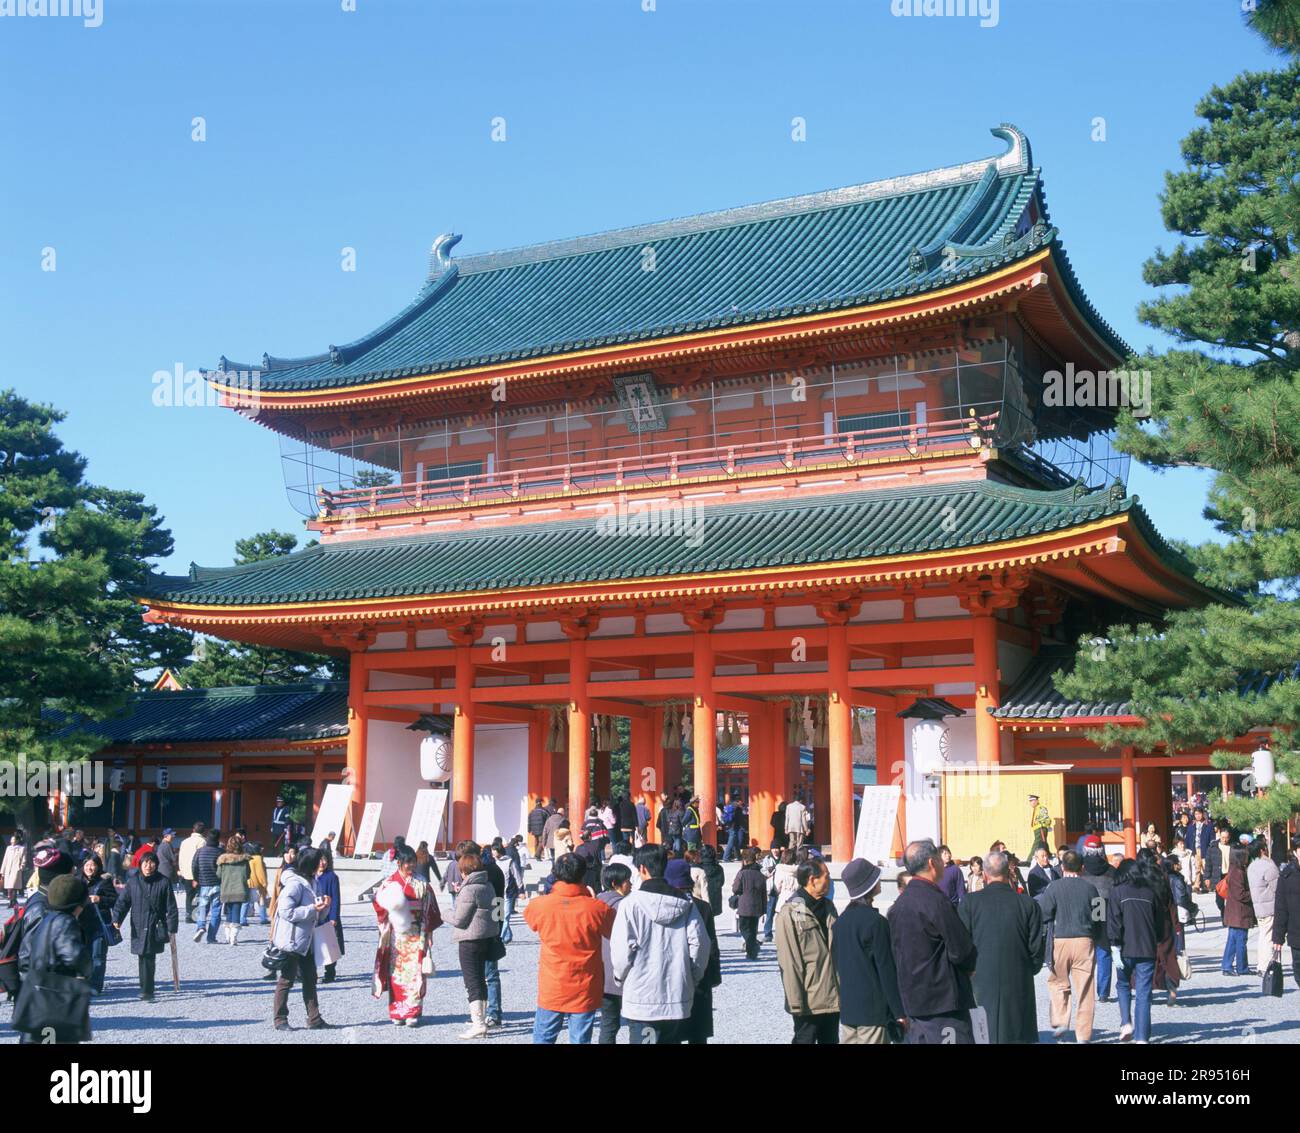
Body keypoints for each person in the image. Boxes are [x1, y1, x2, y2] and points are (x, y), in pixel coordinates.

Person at [610, 843, 710, 1045]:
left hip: (642, 997)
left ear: (642, 869)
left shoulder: (630, 904)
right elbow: (700, 943)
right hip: (676, 992)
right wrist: (693, 975)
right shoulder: (685, 903)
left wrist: (620, 978)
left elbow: (621, 951)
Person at [888, 839, 978, 1043]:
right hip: (943, 1000)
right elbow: (960, 948)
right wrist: (969, 967)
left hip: (912, 999)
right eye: (939, 858)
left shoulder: (899, 905)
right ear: (932, 863)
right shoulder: (936, 900)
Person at [523, 852, 616, 1044]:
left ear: (556, 873)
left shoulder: (540, 905)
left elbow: (531, 922)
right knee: (580, 1039)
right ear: (583, 874)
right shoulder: (596, 908)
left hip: (553, 982)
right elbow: (612, 931)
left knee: (543, 1037)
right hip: (585, 983)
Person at [958, 849, 1043, 1044]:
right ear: (1008, 873)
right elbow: (1036, 947)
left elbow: (962, 943)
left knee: (982, 1033)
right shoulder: (1027, 904)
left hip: (979, 976)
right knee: (1016, 1032)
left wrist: (967, 970)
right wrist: (1030, 967)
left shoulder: (970, 902)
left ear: (985, 874)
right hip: (1018, 975)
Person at [831, 858, 904, 1045]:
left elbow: (836, 965)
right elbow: (886, 969)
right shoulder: (876, 922)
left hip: (849, 1007)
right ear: (870, 885)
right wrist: (899, 1011)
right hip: (872, 1009)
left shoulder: (840, 923)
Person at [15, 874, 92, 1044]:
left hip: (38, 989)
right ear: (77, 904)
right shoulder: (66, 922)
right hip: (56, 993)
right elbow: (74, 955)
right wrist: (87, 966)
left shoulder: (48, 918)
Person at [373, 844, 442, 1025]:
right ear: (399, 863)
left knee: (415, 973)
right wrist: (390, 908)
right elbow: (379, 905)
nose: (411, 866)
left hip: (416, 934)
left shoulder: (421, 883)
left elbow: (429, 908)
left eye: (413, 862)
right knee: (396, 973)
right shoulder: (389, 883)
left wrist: (429, 932)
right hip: (397, 935)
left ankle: (412, 1012)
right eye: (408, 862)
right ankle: (397, 1012)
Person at [774, 856, 839, 1044]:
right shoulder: (791, 912)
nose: (830, 879)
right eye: (827, 875)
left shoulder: (829, 907)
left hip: (832, 995)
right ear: (812, 880)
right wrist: (796, 1002)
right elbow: (789, 961)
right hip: (808, 998)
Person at [1036, 849, 1098, 1043]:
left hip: (1060, 939)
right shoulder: (1091, 888)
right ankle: (1083, 1035)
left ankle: (1061, 1021)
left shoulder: (1053, 888)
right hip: (1084, 940)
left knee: (1057, 982)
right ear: (1082, 868)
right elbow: (1100, 917)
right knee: (1086, 988)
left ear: (1062, 867)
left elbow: (1045, 913)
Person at [270, 847, 332, 1031]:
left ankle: (314, 1018)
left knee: (310, 978)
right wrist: (313, 908)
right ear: (310, 864)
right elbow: (285, 912)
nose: (322, 863)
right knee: (286, 980)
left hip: (307, 940)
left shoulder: (314, 882)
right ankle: (280, 1019)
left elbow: (318, 915)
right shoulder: (295, 884)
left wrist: (324, 907)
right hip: (292, 940)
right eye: (319, 861)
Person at [449, 841, 503, 1040]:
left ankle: (492, 1014)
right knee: (482, 977)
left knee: (488, 975)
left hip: (482, 933)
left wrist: (499, 927)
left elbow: (500, 901)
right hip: (488, 930)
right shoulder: (485, 877)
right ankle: (483, 1016)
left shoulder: (492, 873)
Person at [1106, 857, 1164, 1043]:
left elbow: (1114, 921)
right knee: (1143, 993)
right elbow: (1159, 922)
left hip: (1124, 948)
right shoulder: (1151, 892)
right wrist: (1158, 939)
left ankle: (1126, 1023)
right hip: (1146, 949)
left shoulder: (1117, 891)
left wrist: (1114, 945)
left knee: (1123, 985)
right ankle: (1142, 1038)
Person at [111, 849, 179, 1002]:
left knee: (149, 956)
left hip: (155, 924)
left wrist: (172, 927)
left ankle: (147, 990)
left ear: (156, 864)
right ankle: (145, 986)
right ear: (140, 864)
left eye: (152, 863)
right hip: (138, 923)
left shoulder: (163, 881)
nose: (148, 866)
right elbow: (123, 902)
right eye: (145, 863)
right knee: (142, 955)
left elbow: (171, 906)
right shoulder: (133, 882)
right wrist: (117, 919)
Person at [596, 861, 633, 1043]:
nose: (631, 884)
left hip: (601, 973)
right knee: (636, 1024)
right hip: (621, 972)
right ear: (615, 883)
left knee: (608, 1024)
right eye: (627, 881)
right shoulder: (624, 907)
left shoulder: (596, 903)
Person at [78, 853, 118, 994]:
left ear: (98, 866)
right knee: (82, 955)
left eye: (93, 865)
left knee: (98, 956)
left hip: (99, 924)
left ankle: (95, 986)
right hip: (80, 925)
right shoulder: (78, 882)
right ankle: (83, 982)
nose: (90, 868)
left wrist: (100, 899)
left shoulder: (104, 882)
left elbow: (115, 900)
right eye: (87, 865)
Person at [1247, 837, 1280, 976]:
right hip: (1269, 905)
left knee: (1263, 936)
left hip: (1258, 906)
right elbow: (1276, 888)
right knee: (1269, 937)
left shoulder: (1251, 866)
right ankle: (1266, 965)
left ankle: (1261, 964)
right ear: (1262, 850)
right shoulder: (1268, 866)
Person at [1270, 834, 1300, 986]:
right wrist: (1278, 937)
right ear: (1295, 852)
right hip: (1297, 934)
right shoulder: (1287, 876)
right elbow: (1281, 908)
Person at [1222, 845, 1254, 976]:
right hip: (1239, 912)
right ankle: (1239, 966)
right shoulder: (1237, 872)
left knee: (1234, 940)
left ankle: (1230, 965)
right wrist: (1254, 893)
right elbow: (1240, 894)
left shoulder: (1235, 869)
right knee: (1240, 941)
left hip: (1235, 912)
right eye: (1245, 855)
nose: (1247, 857)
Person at [314, 846, 344, 982]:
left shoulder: (331, 877)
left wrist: (333, 917)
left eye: (325, 859)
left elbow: (336, 898)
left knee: (329, 945)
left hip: (328, 916)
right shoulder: (311, 876)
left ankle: (330, 972)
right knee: (314, 945)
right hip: (314, 915)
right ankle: (311, 973)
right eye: (320, 860)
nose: (322, 863)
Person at [731, 848, 767, 960]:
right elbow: (763, 893)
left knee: (744, 929)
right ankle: (752, 950)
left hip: (744, 905)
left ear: (745, 861)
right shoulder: (760, 875)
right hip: (757, 905)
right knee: (753, 929)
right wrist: (764, 908)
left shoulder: (742, 873)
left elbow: (735, 889)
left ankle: (752, 949)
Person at [216, 835, 251, 947]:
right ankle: (233, 937)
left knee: (229, 912)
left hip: (226, 889)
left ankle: (227, 936)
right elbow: (248, 875)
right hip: (239, 889)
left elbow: (218, 875)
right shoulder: (244, 860)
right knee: (236, 911)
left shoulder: (223, 860)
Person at [191, 829, 223, 944]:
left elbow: (194, 865)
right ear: (217, 839)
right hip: (217, 884)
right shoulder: (220, 852)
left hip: (204, 884)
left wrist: (195, 878)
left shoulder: (200, 851)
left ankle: (201, 927)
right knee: (216, 911)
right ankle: (211, 937)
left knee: (202, 908)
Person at [492, 839, 524, 945]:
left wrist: (521, 889)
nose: (492, 852)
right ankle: (508, 935)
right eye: (492, 850)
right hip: (496, 892)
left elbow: (517, 876)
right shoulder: (492, 862)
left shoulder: (509, 861)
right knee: (498, 916)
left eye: (494, 850)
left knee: (505, 916)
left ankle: (499, 938)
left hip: (508, 892)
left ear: (499, 850)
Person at [1187, 808, 1214, 891]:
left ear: (1202, 814)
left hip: (1205, 849)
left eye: (1199, 814)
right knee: (1197, 868)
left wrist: (1211, 848)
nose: (1198, 816)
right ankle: (1197, 885)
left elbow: (1212, 838)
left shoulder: (1208, 824)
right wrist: (1189, 848)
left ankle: (1208, 885)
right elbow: (1188, 838)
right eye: (1196, 814)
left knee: (1206, 867)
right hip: (1195, 849)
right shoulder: (1191, 825)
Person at [3, 833, 29, 907]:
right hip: (8, 869)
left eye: (13, 840)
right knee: (9, 887)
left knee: (13, 886)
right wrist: (2, 870)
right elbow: (5, 859)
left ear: (17, 840)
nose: (11, 841)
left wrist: (21, 867)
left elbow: (24, 859)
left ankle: (13, 901)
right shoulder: (8, 848)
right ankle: (12, 901)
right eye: (11, 840)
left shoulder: (21, 848)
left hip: (16, 869)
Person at [721, 794, 746, 862]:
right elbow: (738, 817)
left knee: (735, 842)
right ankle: (726, 857)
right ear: (739, 801)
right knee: (731, 842)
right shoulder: (736, 806)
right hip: (733, 826)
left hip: (731, 826)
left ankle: (738, 857)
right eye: (741, 800)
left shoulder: (731, 805)